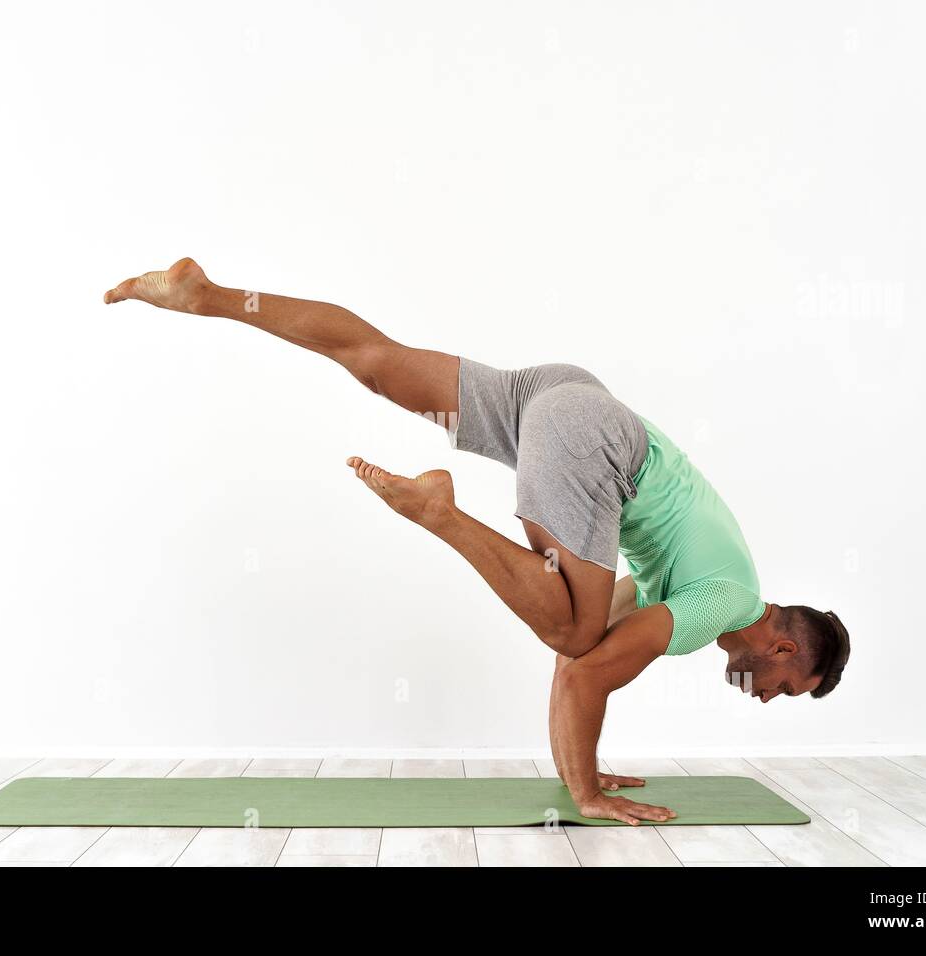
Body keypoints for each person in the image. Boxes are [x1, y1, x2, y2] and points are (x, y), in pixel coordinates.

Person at [104, 258, 851, 824]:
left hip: (564, 397)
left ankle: (205, 295)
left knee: (373, 358)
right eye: (786, 689)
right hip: (593, 436)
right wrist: (588, 794)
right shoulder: (724, 604)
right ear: (784, 650)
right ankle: (440, 512)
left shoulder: (701, 581)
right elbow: (585, 665)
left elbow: (574, 666)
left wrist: (577, 774)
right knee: (576, 620)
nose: (766, 698)